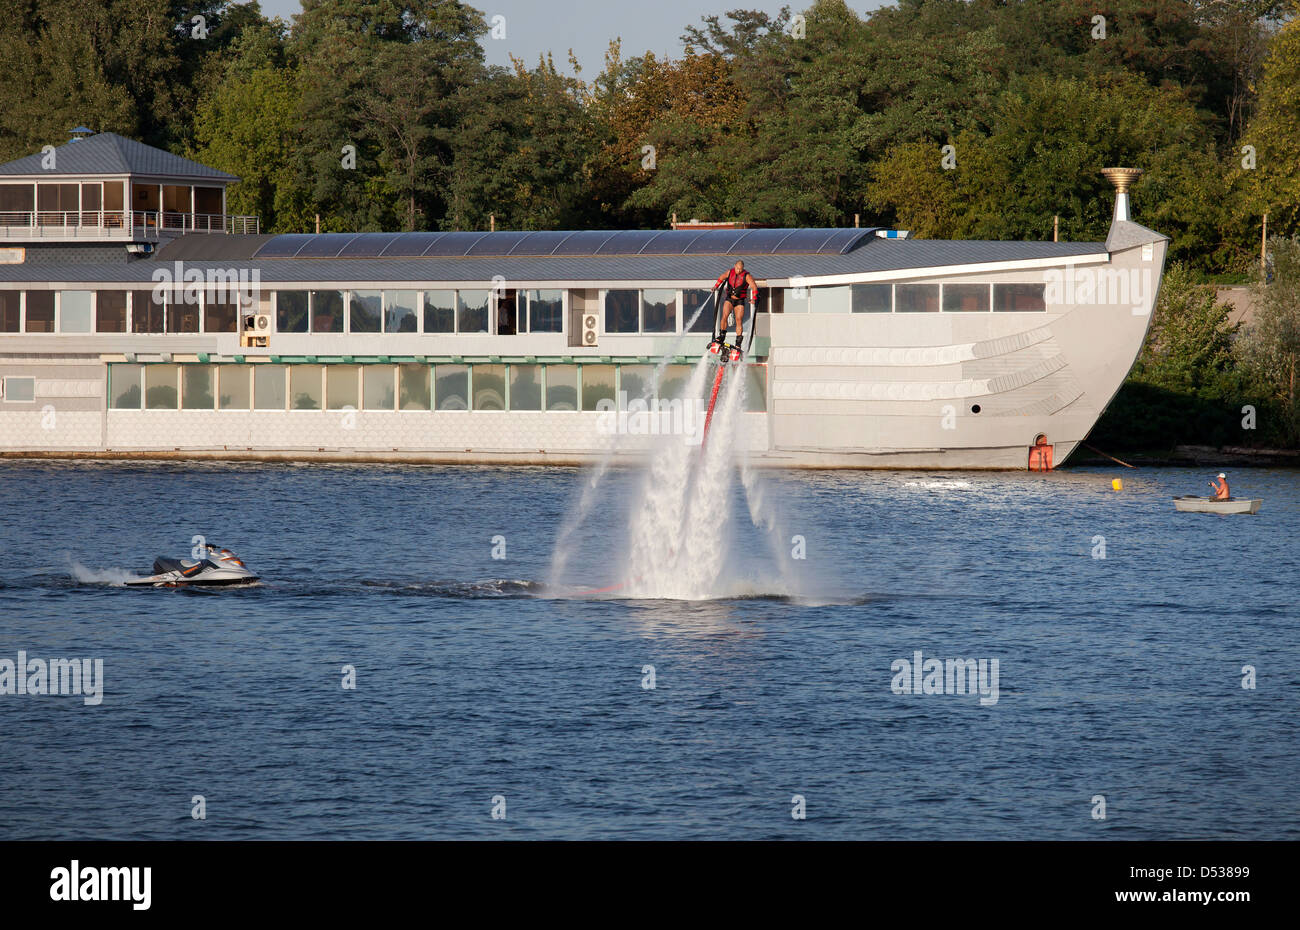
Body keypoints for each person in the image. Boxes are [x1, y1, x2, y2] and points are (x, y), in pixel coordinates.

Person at [712, 260, 757, 354]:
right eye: (737, 268)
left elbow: (754, 286)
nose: (739, 271)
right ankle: (722, 336)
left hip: (739, 300)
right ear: (734, 266)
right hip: (729, 299)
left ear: (743, 268)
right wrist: (715, 286)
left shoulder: (747, 276)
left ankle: (738, 343)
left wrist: (754, 298)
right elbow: (721, 278)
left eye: (740, 269)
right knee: (724, 316)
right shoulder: (729, 272)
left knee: (739, 320)